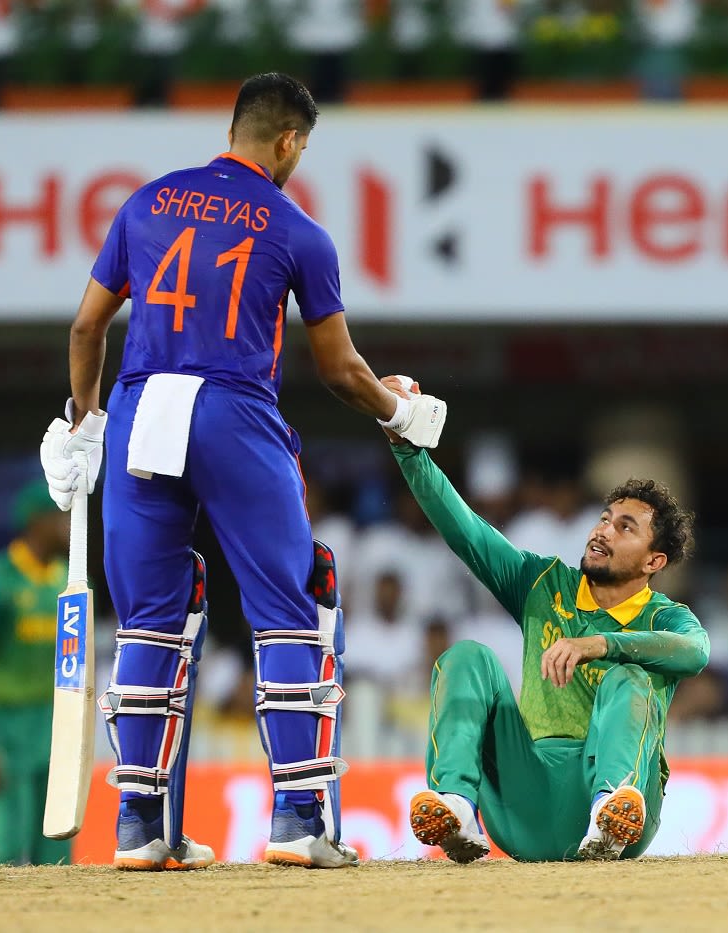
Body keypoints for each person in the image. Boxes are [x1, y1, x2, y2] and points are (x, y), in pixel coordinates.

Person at [38, 73, 445, 871]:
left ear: (235, 128)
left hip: (141, 409)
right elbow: (337, 368)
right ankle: (298, 818)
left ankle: (140, 827)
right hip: (232, 410)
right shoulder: (298, 230)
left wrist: (84, 424)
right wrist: (397, 410)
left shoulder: (147, 203)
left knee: (153, 615)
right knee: (296, 600)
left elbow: (88, 326)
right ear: (291, 141)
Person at [381, 379, 708, 862]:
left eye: (625, 527)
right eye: (604, 517)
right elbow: (463, 528)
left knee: (629, 677)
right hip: (525, 804)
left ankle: (607, 808)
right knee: (466, 656)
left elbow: (696, 652)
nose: (602, 530)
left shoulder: (666, 617)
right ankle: (457, 804)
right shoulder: (542, 585)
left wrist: (601, 644)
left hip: (621, 820)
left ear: (654, 561)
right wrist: (410, 453)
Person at [0, 483, 72, 866]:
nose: (70, 525)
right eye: (62, 516)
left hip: (55, 724)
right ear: (38, 522)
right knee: (8, 845)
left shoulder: (66, 579)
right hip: (7, 725)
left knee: (55, 847)